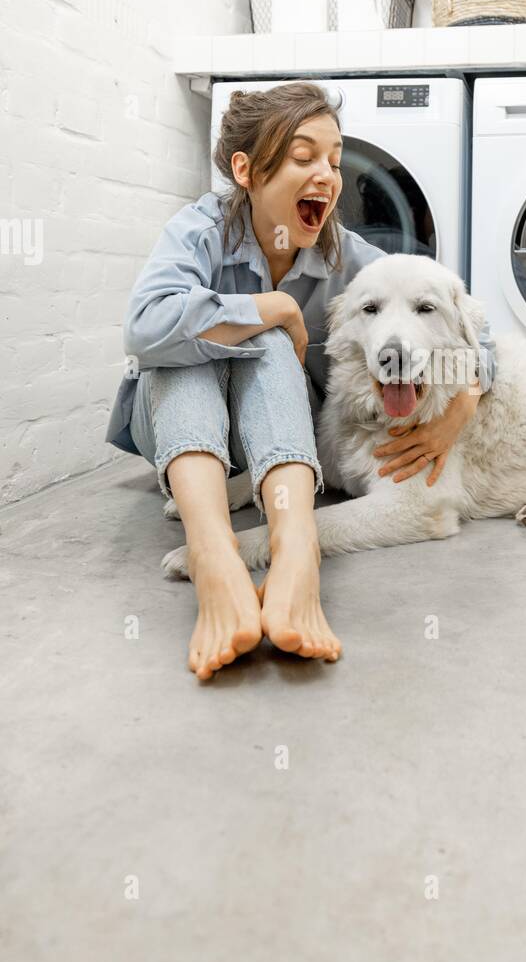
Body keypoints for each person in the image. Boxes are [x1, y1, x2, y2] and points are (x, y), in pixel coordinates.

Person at [105, 81, 496, 681]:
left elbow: (467, 325)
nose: (327, 175)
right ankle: (215, 558)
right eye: (303, 157)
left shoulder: (347, 256)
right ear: (246, 170)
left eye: (335, 161)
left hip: (275, 434)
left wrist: (463, 401)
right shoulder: (201, 229)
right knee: (201, 349)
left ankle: (295, 551)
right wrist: (274, 309)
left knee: (266, 346)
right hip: (180, 428)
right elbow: (144, 326)